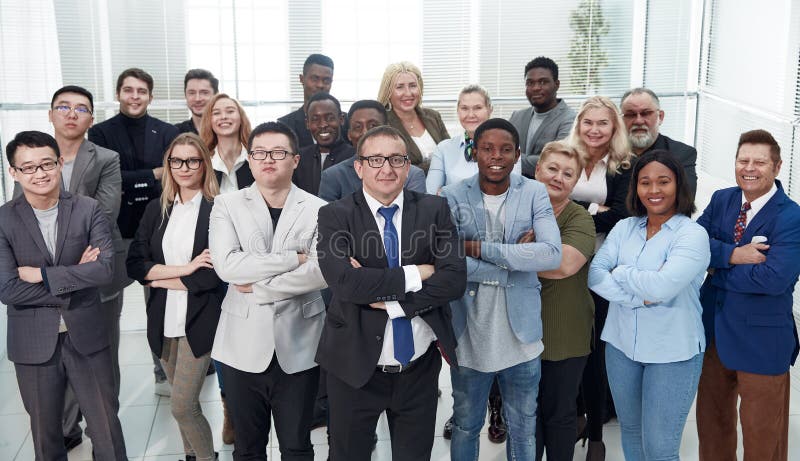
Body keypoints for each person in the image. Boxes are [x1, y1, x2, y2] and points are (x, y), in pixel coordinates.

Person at [316, 125, 465, 461]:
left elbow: (454, 280)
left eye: (396, 159)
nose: (387, 169)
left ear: (408, 167)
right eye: (376, 159)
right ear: (359, 167)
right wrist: (418, 272)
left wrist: (392, 302)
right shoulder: (334, 215)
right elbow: (344, 284)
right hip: (354, 368)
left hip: (418, 369)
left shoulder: (433, 210)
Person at [12, 86, 126, 452]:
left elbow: (104, 229)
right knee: (47, 419)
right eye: (63, 106)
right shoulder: (11, 202)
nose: (72, 113)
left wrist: (44, 272)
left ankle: (94, 431)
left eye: (81, 108)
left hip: (91, 301)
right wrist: (72, 270)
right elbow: (11, 270)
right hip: (41, 318)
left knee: (102, 392)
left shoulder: (104, 162)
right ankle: (68, 429)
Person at [440, 118, 562, 461]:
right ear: (474, 152)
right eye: (488, 148)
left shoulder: (535, 191)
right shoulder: (451, 196)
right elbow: (449, 263)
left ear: (518, 154)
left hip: (522, 340)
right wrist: (517, 260)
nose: (497, 156)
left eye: (506, 149)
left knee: (523, 426)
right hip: (469, 337)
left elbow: (550, 254)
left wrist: (479, 249)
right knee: (465, 424)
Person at [209, 121, 328, 461]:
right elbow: (228, 267)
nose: (268, 160)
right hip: (240, 346)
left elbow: (320, 271)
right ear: (250, 159)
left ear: (295, 160)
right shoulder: (227, 205)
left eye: (278, 153)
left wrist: (260, 286)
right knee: (247, 447)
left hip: (302, 345)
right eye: (260, 153)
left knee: (297, 445)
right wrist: (294, 257)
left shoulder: (319, 208)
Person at [589, 149, 709, 460]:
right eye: (645, 182)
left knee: (660, 447)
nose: (653, 190)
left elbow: (662, 286)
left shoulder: (692, 235)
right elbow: (595, 275)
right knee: (630, 431)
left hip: (673, 352)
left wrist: (623, 272)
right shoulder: (624, 227)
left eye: (663, 182)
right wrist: (638, 292)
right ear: (635, 188)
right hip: (621, 344)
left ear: (678, 185)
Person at [695, 129, 800, 461]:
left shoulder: (792, 217)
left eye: (759, 162)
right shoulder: (723, 199)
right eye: (743, 160)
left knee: (763, 439)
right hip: (713, 333)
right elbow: (694, 246)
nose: (749, 168)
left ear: (777, 166)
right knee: (712, 428)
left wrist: (717, 266)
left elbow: (773, 279)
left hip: (763, 341)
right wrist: (735, 254)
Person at [127, 133, 224, 461]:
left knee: (183, 407)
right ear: (168, 165)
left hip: (200, 320)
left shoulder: (218, 210)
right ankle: (192, 456)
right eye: (177, 160)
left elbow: (212, 277)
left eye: (192, 160)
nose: (184, 167)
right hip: (163, 319)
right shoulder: (158, 210)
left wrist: (158, 279)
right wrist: (186, 268)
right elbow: (135, 265)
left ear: (204, 165)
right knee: (181, 406)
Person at [88, 68, 179, 396]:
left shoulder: (167, 132)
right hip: (115, 230)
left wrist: (134, 178)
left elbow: (171, 176)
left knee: (159, 304)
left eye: (142, 91)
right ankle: (105, 383)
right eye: (129, 90)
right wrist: (150, 174)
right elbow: (106, 181)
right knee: (109, 306)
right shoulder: (99, 133)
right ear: (118, 94)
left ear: (150, 96)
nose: (135, 96)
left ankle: (163, 372)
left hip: (160, 230)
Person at [566, 95, 636, 461]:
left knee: (595, 348)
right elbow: (548, 201)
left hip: (603, 266)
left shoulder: (626, 166)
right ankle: (574, 416)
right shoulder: (566, 158)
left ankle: (596, 433)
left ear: (614, 128)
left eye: (602, 123)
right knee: (566, 345)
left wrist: (577, 211)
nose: (594, 130)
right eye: (588, 122)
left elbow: (625, 214)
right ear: (579, 125)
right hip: (563, 266)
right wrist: (596, 209)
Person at [532, 141, 596, 461]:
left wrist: (507, 258)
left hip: (564, 333)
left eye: (568, 173)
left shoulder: (579, 219)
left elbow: (563, 266)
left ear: (576, 181)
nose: (558, 177)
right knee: (526, 415)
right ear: (537, 170)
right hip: (520, 332)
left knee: (558, 414)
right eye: (552, 169)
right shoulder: (517, 210)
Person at [318, 100, 426, 202]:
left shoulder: (412, 175)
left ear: (387, 129)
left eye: (373, 126)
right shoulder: (333, 176)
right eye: (358, 127)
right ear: (349, 135)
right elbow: (328, 220)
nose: (365, 132)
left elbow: (415, 218)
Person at [427, 85, 521, 195]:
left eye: (477, 108)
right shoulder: (443, 149)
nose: (471, 115)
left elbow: (512, 191)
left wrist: (449, 192)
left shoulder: (509, 147)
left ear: (490, 109)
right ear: (458, 111)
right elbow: (431, 194)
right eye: (464, 108)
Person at [620, 88, 697, 200]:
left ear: (660, 117)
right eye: (631, 115)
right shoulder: (610, 152)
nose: (638, 121)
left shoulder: (681, 154)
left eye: (646, 113)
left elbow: (684, 202)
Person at [509, 56, 576, 178]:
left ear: (557, 84)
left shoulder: (570, 119)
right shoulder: (517, 116)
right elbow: (501, 149)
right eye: (530, 83)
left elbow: (556, 162)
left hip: (548, 193)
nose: (535, 88)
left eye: (543, 82)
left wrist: (509, 158)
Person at [377, 61, 449, 172]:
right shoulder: (382, 124)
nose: (408, 93)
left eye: (413, 86)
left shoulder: (434, 116)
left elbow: (450, 154)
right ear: (388, 92)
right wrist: (438, 165)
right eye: (400, 87)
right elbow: (396, 168)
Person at [293, 92, 353, 195]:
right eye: (315, 119)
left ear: (341, 119)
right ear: (307, 123)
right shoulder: (299, 159)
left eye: (330, 118)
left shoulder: (354, 157)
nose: (323, 125)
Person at [278, 53, 337, 149]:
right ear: (302, 79)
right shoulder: (285, 125)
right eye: (315, 79)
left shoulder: (345, 121)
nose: (320, 85)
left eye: (326, 80)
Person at [199, 93, 254, 195]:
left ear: (241, 118)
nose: (223, 117)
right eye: (216, 113)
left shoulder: (257, 158)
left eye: (230, 111)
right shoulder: (201, 162)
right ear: (209, 121)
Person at [177, 69, 219, 135]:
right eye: (192, 93)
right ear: (185, 95)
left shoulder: (226, 130)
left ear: (216, 95)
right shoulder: (175, 133)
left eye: (204, 93)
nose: (197, 99)